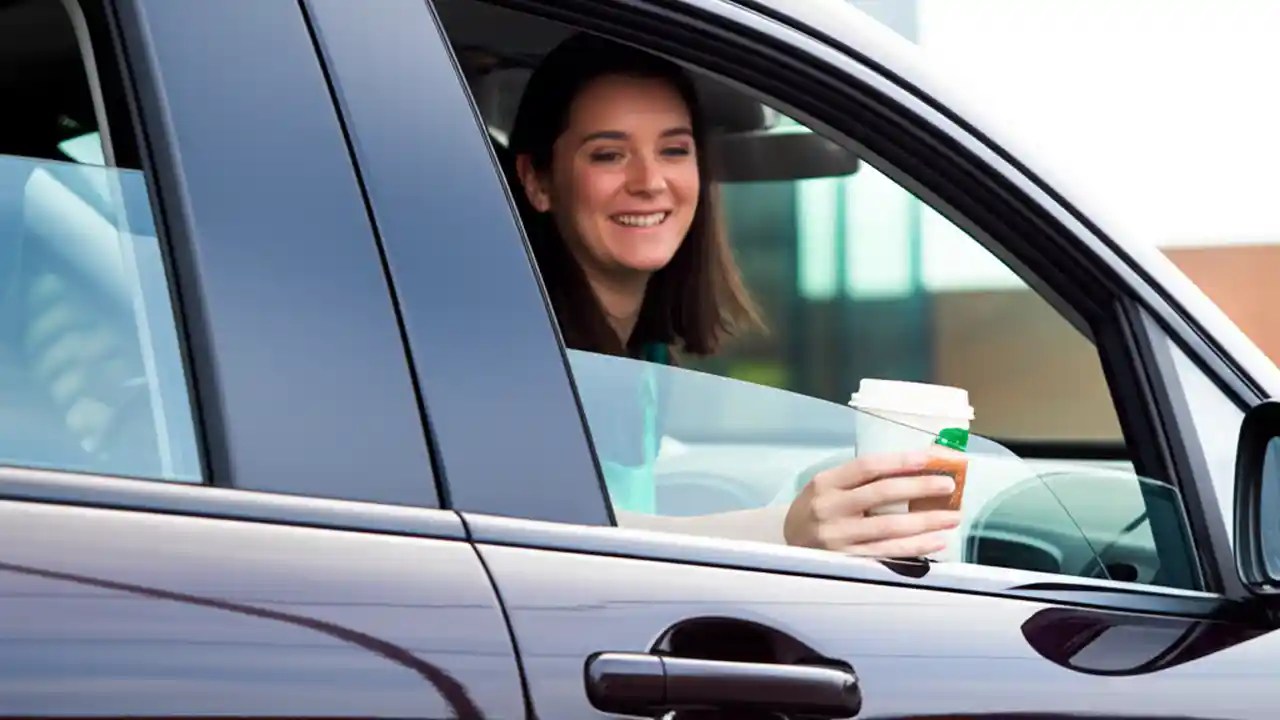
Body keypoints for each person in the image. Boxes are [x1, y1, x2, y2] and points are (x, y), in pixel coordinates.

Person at [507, 33, 961, 559]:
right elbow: (556, 533)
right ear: (538, 180)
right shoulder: (515, 358)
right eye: (609, 155)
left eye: (674, 150)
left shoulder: (644, 358)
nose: (650, 181)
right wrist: (786, 529)